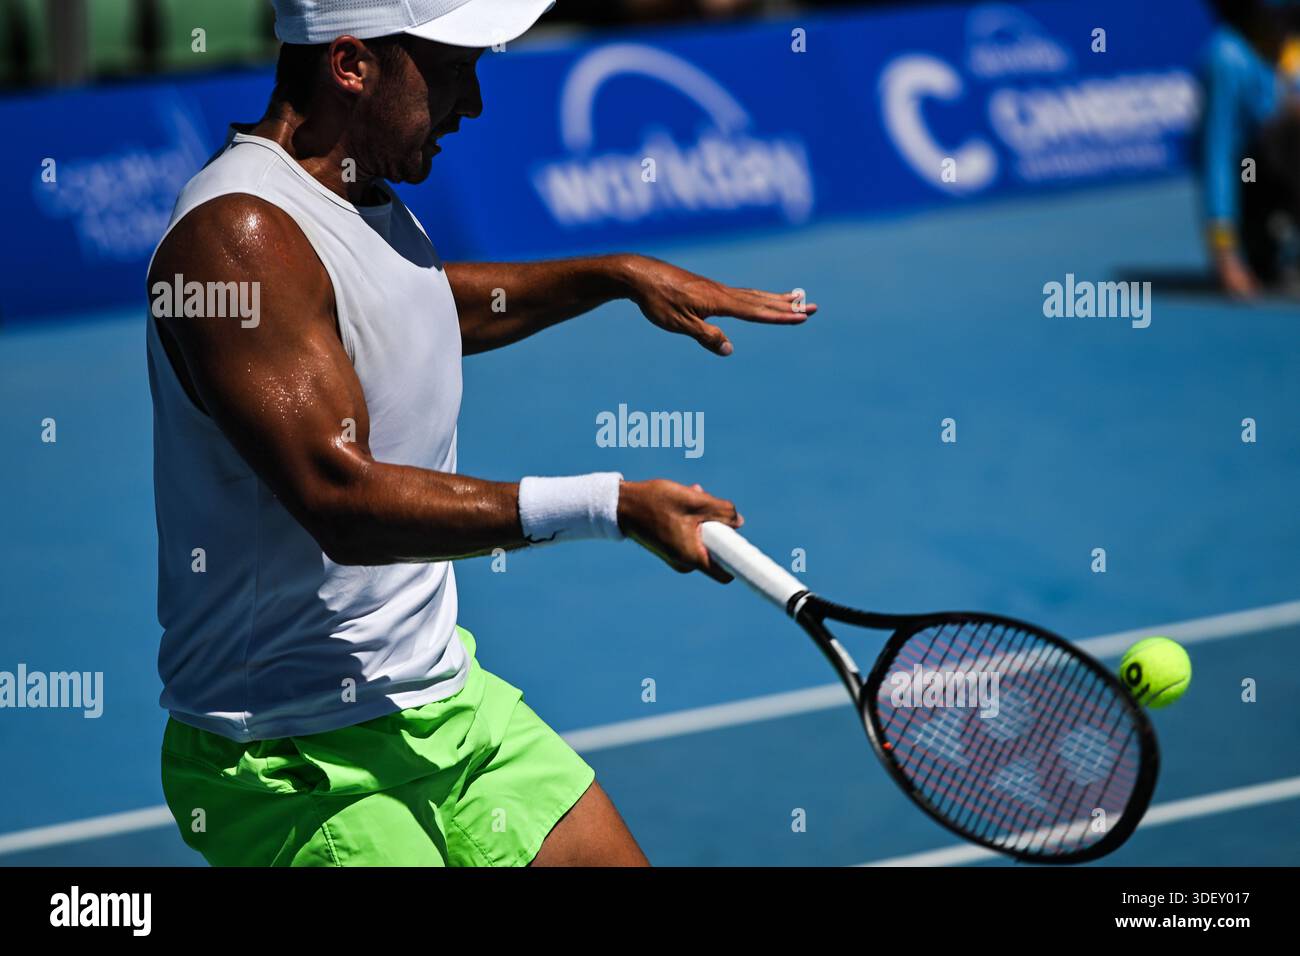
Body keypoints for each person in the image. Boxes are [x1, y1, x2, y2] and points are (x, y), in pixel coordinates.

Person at [147, 0, 814, 867]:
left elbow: (404, 309)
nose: (474, 103)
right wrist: (606, 505)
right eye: (452, 68)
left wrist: (609, 275)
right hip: (294, 755)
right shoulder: (232, 239)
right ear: (351, 64)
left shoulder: (350, 200)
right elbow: (340, 501)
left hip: (442, 704)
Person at [1201, 0, 1300, 296]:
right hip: (1252, 179)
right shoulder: (1227, 58)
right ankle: (1262, 245)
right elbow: (1217, 156)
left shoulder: (1290, 47)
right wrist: (1225, 254)